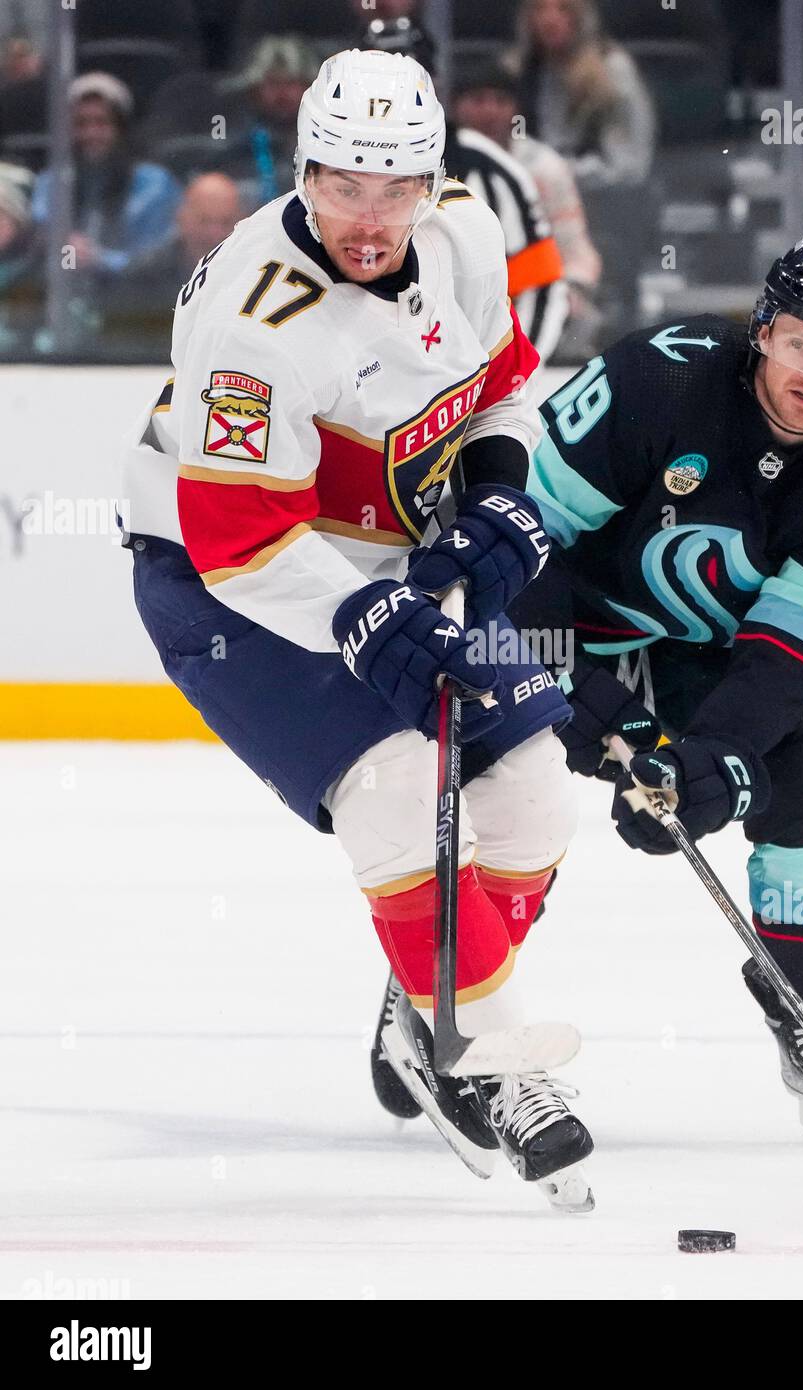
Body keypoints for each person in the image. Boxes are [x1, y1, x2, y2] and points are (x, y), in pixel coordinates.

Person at [118, 48, 593, 1210]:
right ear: (301, 168)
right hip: (226, 582)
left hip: (383, 560)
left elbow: (503, 387)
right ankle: (483, 1060)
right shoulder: (251, 315)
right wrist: (359, 607)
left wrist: (494, 485)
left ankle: (426, 1003)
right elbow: (235, 536)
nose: (368, 217)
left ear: (432, 181)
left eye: (394, 187)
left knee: (534, 785)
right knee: (394, 787)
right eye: (341, 184)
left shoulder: (468, 235)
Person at [510, 228, 803, 1149]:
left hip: (704, 656)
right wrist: (590, 709)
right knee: (507, 784)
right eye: (798, 343)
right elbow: (517, 547)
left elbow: (785, 656)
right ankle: (444, 1007)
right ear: (764, 328)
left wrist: (717, 761)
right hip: (561, 620)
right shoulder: (658, 379)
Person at [364, 18, 569, 362]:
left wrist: (509, 380)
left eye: (408, 77)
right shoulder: (318, 170)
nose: (391, 93)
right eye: (376, 79)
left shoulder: (495, 171)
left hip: (468, 384)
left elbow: (539, 283)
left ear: (435, 83)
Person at [453, 60, 603, 360]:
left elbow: (575, 249)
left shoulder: (545, 167)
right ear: (455, 107)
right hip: (453, 296)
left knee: (581, 319)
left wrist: (568, 289)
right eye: (478, 100)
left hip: (530, 290)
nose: (490, 111)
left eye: (500, 100)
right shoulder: (432, 162)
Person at [30, 73, 182, 276]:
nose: (91, 134)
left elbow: (160, 256)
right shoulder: (50, 183)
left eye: (101, 122)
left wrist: (99, 260)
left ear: (121, 129)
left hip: (138, 300)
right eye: (81, 123)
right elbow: (42, 240)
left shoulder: (156, 184)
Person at [507, 0, 656, 192]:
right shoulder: (517, 72)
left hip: (599, 198)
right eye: (540, 10)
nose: (549, 20)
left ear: (581, 18)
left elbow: (629, 165)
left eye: (563, 9)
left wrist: (559, 173)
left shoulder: (611, 71)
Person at [111, 174, 243, 358]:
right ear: (182, 217)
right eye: (204, 221)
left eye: (225, 222)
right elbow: (124, 342)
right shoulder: (142, 275)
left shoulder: (253, 275)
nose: (214, 234)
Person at [216, 37, 318, 211]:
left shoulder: (328, 141)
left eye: (291, 82)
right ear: (255, 90)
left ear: (309, 85)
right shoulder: (237, 148)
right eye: (273, 83)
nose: (282, 93)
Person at [0, 160, 41, 354]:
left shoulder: (46, 257)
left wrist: (71, 254)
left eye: (1, 215)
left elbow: (70, 266)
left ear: (17, 220)